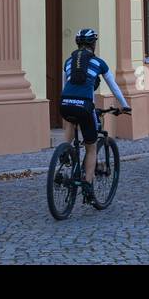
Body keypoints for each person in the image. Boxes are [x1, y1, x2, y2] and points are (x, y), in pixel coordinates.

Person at [59, 28, 130, 196]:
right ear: (93, 44)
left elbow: (65, 85)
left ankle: (64, 150)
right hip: (84, 106)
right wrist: (125, 105)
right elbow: (114, 86)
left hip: (65, 103)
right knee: (91, 148)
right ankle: (88, 186)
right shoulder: (99, 63)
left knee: (71, 121)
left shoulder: (68, 61)